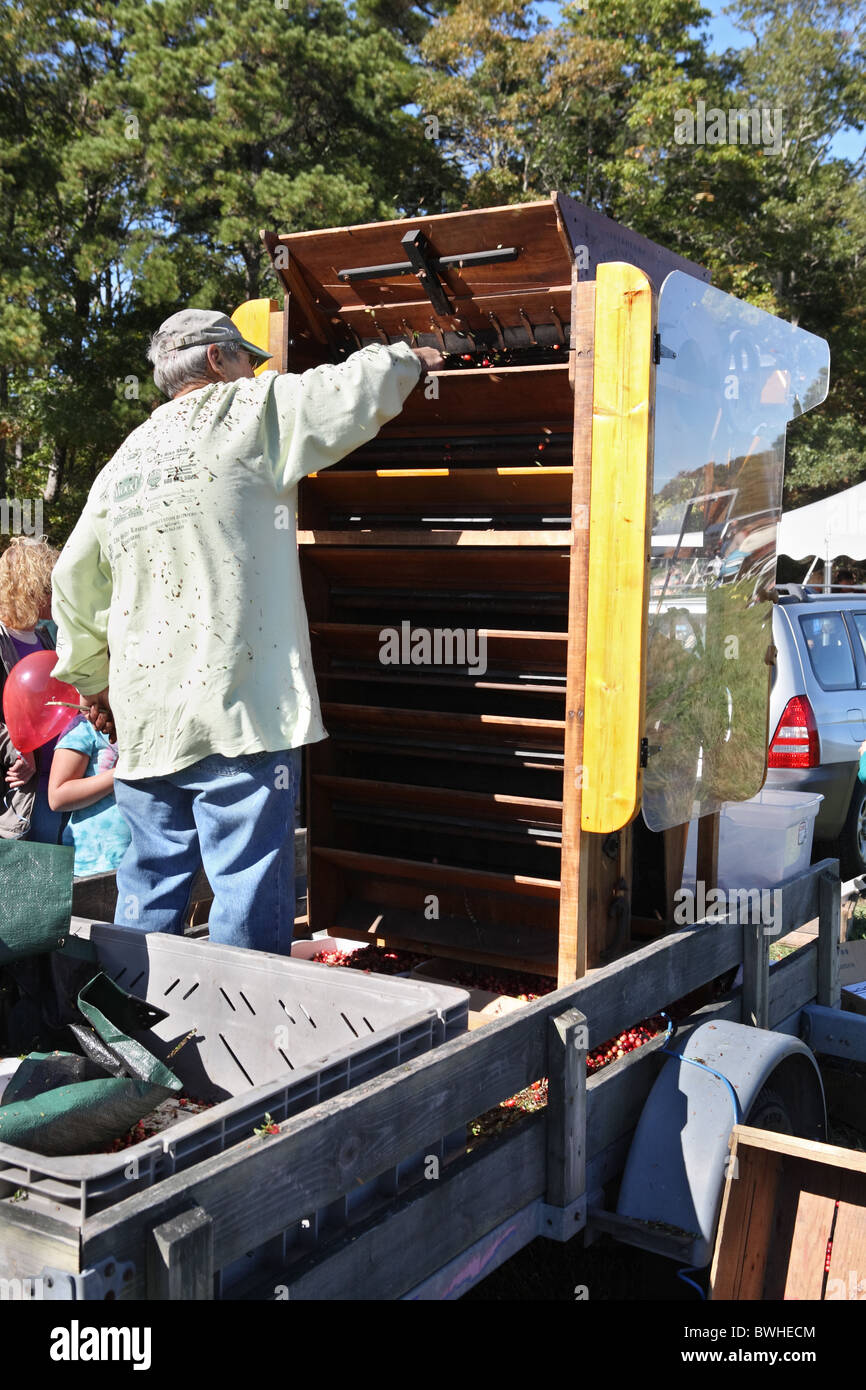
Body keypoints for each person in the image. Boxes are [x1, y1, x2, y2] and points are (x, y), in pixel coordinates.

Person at [51, 309, 443, 953]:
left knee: (147, 893)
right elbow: (345, 392)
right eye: (245, 358)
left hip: (147, 723)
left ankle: (128, 1035)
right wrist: (414, 358)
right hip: (237, 709)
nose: (254, 369)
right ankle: (246, 1040)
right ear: (215, 361)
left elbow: (73, 587)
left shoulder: (122, 463)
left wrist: (96, 685)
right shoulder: (245, 410)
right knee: (247, 892)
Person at [0, 538, 65, 844]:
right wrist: (19, 751)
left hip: (58, 784)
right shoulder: (2, 641)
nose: (62, 595)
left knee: (58, 888)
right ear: (31, 588)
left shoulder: (45, 637)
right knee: (25, 890)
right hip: (19, 794)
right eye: (52, 587)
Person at [48, 716, 130, 877]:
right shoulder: (84, 725)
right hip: (95, 865)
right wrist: (122, 770)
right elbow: (57, 797)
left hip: (153, 863)